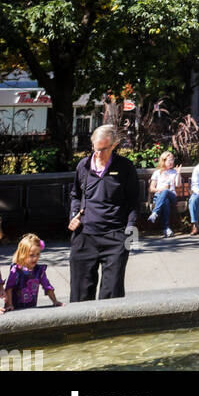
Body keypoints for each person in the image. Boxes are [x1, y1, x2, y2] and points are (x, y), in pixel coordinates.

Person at [68, 124, 140, 300]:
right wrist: (74, 215)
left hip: (116, 236)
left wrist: (130, 232)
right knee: (80, 295)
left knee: (112, 295)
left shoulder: (125, 166)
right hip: (84, 235)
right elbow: (75, 195)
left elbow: (133, 201)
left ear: (114, 145)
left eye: (104, 149)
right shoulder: (83, 166)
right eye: (96, 149)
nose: (98, 153)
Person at [4, 234, 63, 310]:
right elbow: (9, 288)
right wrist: (9, 304)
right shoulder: (16, 270)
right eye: (31, 255)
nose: (35, 258)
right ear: (22, 254)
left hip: (31, 308)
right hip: (14, 309)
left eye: (38, 254)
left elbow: (47, 287)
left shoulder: (39, 270)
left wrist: (55, 301)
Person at [148, 150, 182, 238]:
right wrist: (159, 189)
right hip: (159, 197)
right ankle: (166, 229)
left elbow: (178, 185)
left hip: (172, 197)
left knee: (166, 191)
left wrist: (178, 173)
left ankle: (155, 212)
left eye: (172, 160)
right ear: (163, 161)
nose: (171, 162)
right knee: (165, 201)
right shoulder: (157, 173)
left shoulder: (174, 172)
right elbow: (151, 188)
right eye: (169, 160)